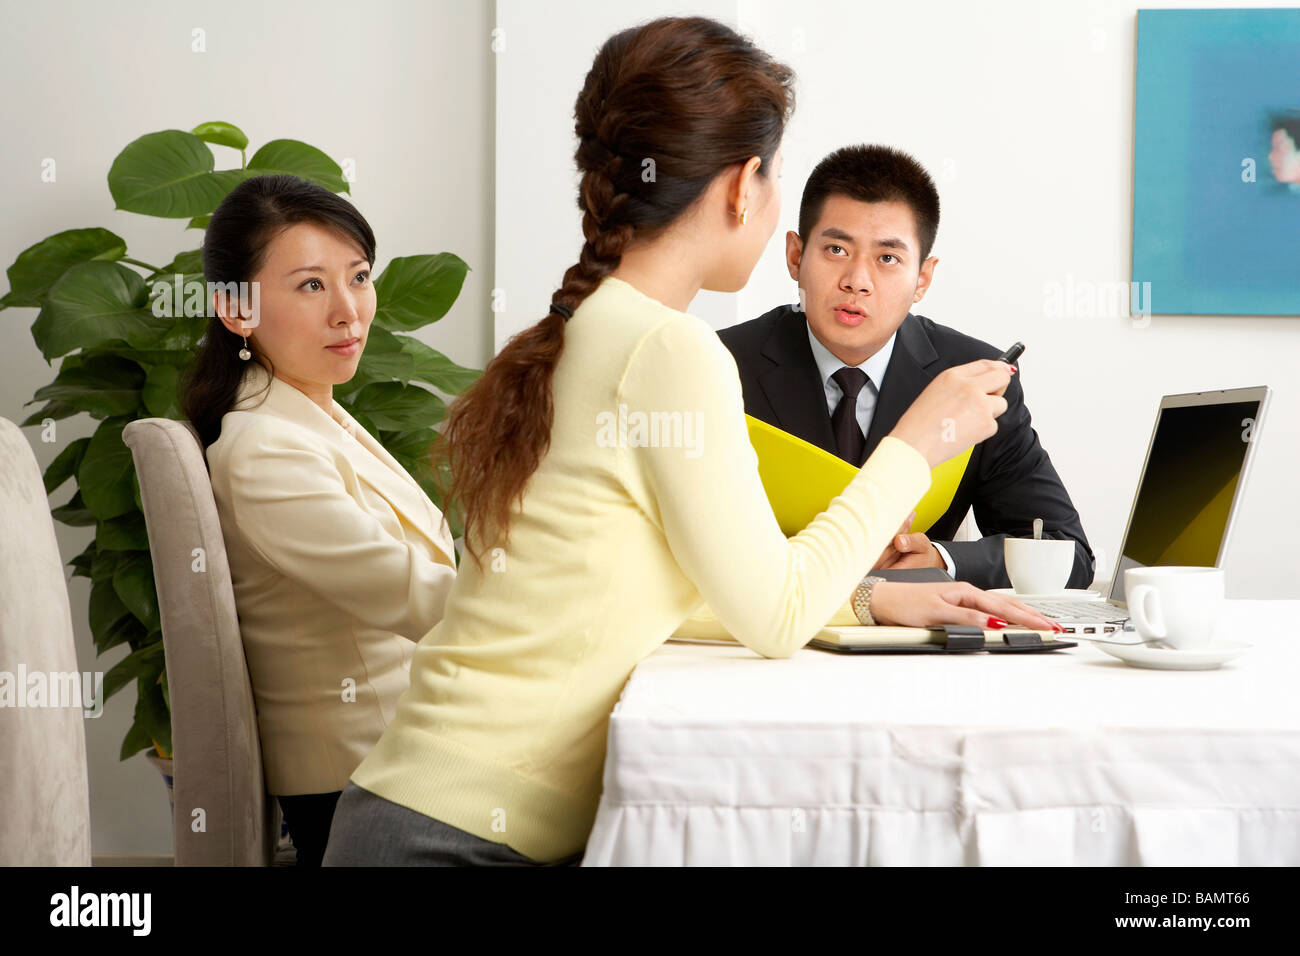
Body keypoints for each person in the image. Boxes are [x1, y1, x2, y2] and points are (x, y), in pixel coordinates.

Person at [322, 15, 1056, 868]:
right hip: (451, 840)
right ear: (744, 187)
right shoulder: (668, 349)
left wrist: (864, 599)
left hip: (421, 812)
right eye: (776, 176)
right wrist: (915, 444)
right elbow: (775, 615)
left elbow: (636, 591)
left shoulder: (591, 329)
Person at [183, 174, 458, 865]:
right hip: (370, 790)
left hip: (413, 756)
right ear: (237, 309)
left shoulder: (309, 414)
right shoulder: (263, 451)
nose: (350, 311)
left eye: (359, 277)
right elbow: (417, 597)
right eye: (311, 285)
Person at [719, 144, 1094, 589]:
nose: (857, 280)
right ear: (796, 257)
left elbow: (1067, 553)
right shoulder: (719, 364)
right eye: (836, 249)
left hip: (913, 647)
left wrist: (942, 559)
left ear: (922, 279)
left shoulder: (975, 380)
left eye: (888, 258)